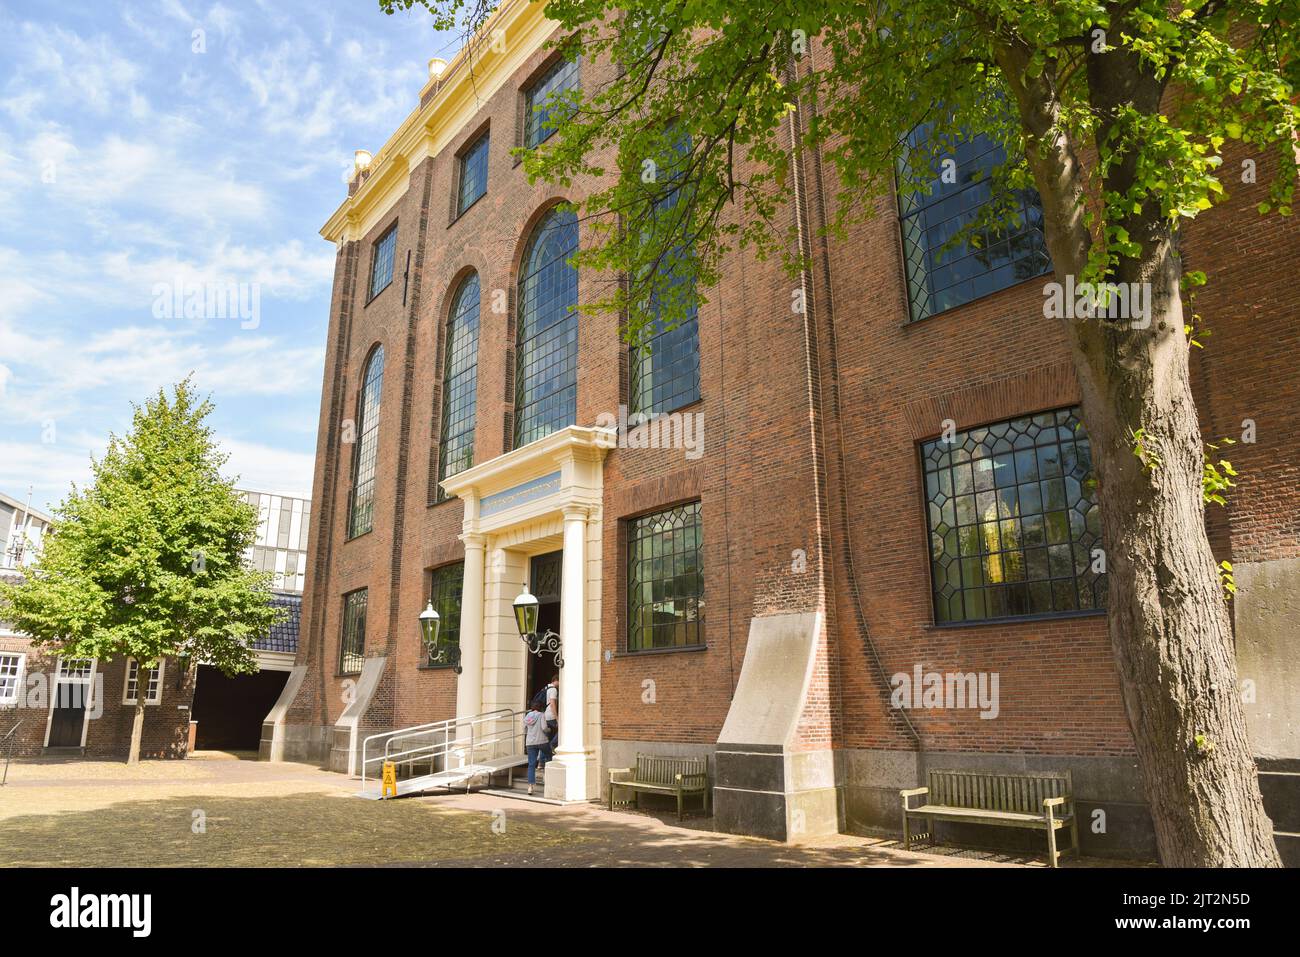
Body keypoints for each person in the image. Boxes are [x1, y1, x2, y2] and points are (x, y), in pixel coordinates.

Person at [523, 702, 550, 795]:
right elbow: (544, 727)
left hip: (530, 742)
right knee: (549, 757)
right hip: (542, 741)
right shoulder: (541, 715)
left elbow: (524, 729)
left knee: (531, 764)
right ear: (541, 708)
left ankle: (530, 787)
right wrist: (549, 730)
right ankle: (546, 776)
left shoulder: (527, 716)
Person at [544, 673, 559, 752]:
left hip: (545, 715)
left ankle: (542, 760)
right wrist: (557, 718)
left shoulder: (546, 688)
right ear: (555, 681)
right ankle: (552, 744)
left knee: (546, 737)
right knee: (563, 730)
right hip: (551, 715)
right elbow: (552, 704)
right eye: (559, 682)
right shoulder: (553, 690)